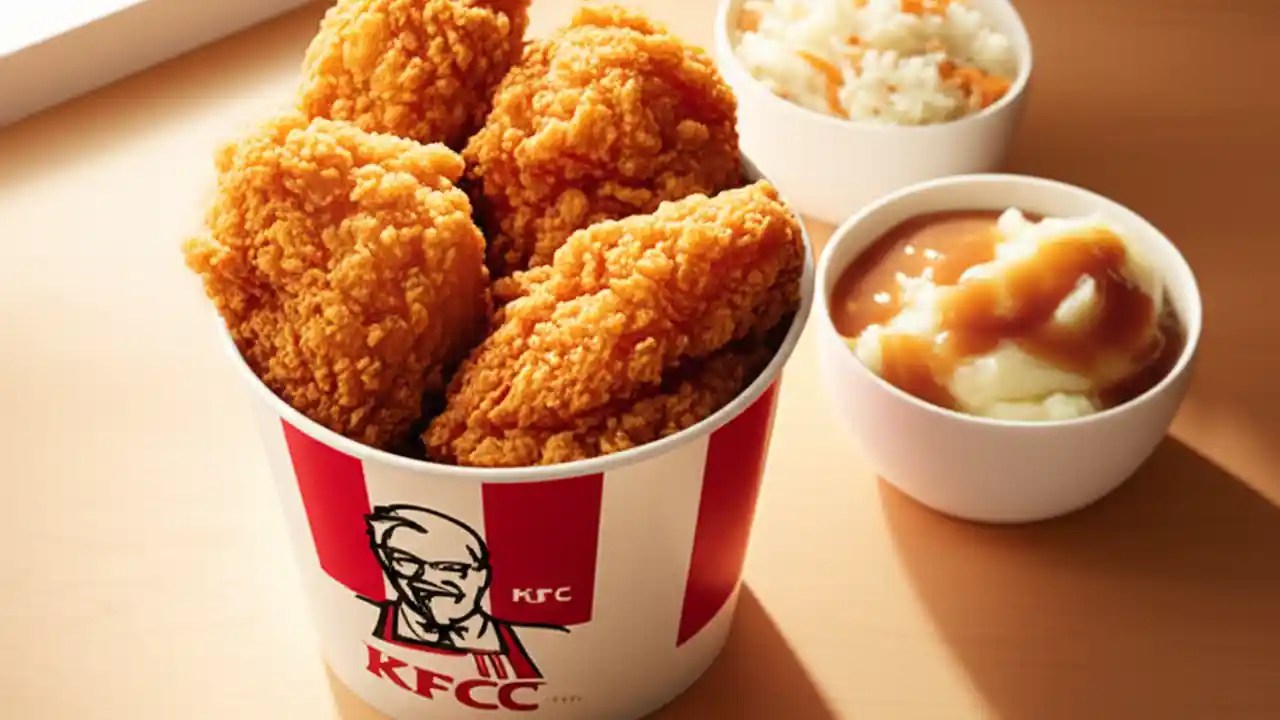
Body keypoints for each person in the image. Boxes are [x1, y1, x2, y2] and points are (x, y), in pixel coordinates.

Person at [365, 505, 541, 679]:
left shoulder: (536, 640)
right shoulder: (362, 616)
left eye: (451, 567)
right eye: (407, 562)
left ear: (482, 576)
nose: (427, 578)